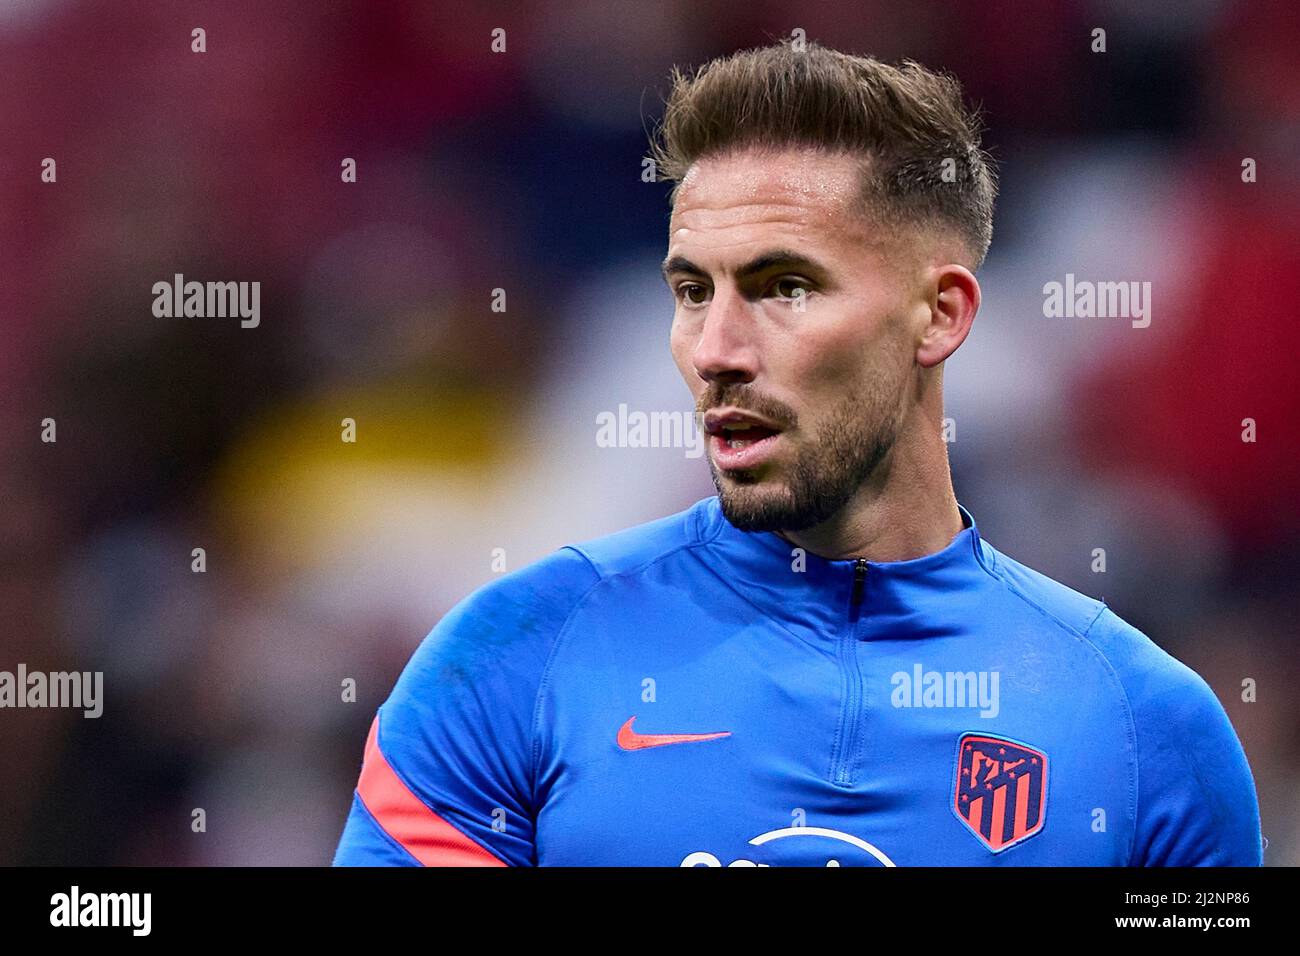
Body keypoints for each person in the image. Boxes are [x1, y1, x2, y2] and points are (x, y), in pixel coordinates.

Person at [333, 39, 1263, 866]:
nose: (716, 350)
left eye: (785, 287)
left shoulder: (1147, 730)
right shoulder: (511, 664)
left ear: (939, 316)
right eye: (694, 291)